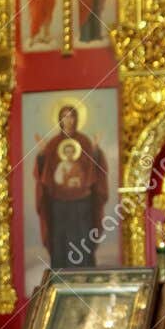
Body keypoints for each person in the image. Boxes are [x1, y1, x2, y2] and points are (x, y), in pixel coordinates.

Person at [33, 102, 108, 269]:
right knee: (60, 237)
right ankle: (60, 272)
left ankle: (85, 271)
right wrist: (42, 155)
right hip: (58, 202)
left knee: (82, 236)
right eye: (65, 116)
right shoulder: (52, 144)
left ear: (76, 118)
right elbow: (44, 174)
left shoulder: (84, 142)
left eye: (72, 116)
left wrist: (95, 151)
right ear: (60, 119)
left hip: (82, 202)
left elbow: (94, 170)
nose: (69, 120)